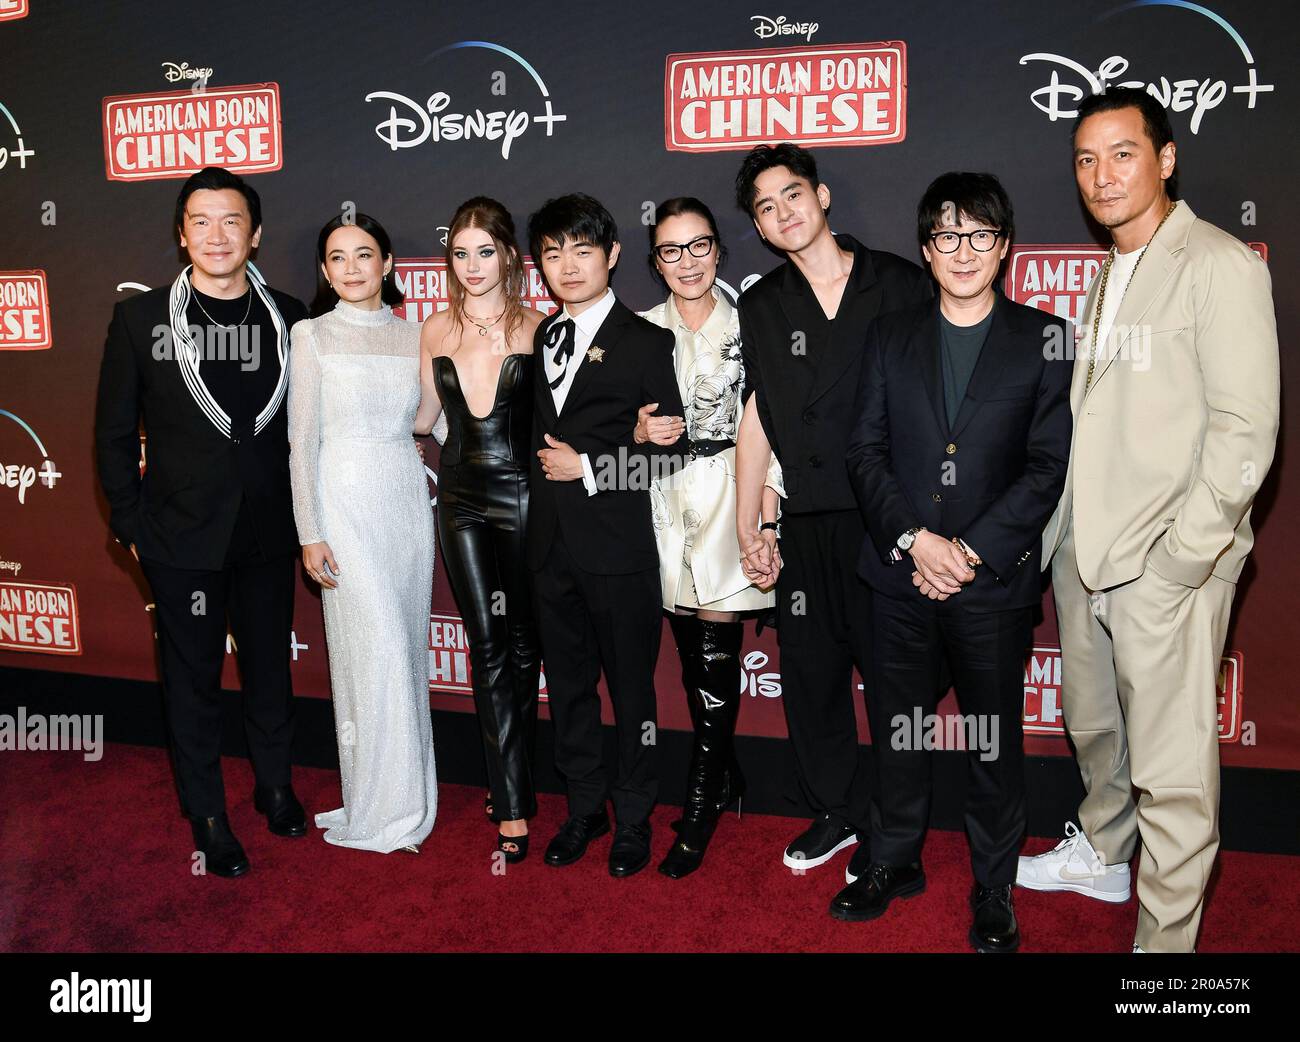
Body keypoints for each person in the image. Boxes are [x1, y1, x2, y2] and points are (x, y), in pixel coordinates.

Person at [1020, 87, 1280, 953]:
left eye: (1123, 153)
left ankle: (1165, 956)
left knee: (1171, 775)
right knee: (1097, 729)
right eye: (1086, 160)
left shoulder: (1217, 263)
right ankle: (1101, 851)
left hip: (1167, 565)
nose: (1102, 176)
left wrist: (1179, 564)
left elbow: (1248, 433)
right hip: (1090, 553)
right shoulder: (1109, 269)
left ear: (1166, 159)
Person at [840, 173, 1072, 951]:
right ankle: (894, 859)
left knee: (990, 741)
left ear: (1004, 247)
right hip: (900, 576)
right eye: (947, 236)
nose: (962, 251)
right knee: (898, 729)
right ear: (925, 249)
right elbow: (864, 450)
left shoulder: (1044, 337)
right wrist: (915, 540)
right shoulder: (888, 334)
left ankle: (994, 887)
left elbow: (1047, 467)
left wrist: (968, 551)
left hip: (990, 585)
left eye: (979, 235)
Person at [94, 166, 308, 877]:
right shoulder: (141, 320)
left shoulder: (290, 314)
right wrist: (131, 524)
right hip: (180, 536)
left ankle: (275, 787)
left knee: (270, 670)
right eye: (201, 221)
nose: (217, 235)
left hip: (269, 530)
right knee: (191, 680)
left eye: (231, 221)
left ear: (256, 234)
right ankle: (209, 817)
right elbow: (113, 435)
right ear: (181, 234)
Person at [732, 143, 931, 879]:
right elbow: (758, 414)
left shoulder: (900, 284)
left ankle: (893, 821)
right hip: (809, 519)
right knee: (813, 679)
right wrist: (750, 520)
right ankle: (838, 811)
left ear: (821, 196)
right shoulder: (759, 305)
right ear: (758, 226)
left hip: (887, 520)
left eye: (792, 195)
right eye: (766, 207)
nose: (783, 213)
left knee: (893, 681)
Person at [526, 193, 685, 877]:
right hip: (548, 547)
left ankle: (634, 817)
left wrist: (589, 464)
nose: (568, 264)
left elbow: (672, 450)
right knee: (567, 688)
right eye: (554, 252)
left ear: (613, 255)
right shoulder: (541, 337)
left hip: (617, 549)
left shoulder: (648, 341)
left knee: (632, 691)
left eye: (582, 249)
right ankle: (583, 809)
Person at [634, 197, 783, 878]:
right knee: (693, 655)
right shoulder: (637, 331)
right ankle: (724, 777)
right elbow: (607, 431)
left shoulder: (755, 326)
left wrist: (766, 511)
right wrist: (634, 433)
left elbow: (774, 422)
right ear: (655, 261)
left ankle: (699, 807)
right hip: (664, 501)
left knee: (717, 652)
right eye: (671, 250)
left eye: (699, 246)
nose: (687, 262)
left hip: (732, 491)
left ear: (720, 251)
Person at [287, 213, 439, 854]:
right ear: (325, 271)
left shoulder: (417, 337)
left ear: (389, 263)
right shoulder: (311, 334)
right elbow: (301, 442)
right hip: (341, 504)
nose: (352, 268)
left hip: (403, 501)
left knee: (401, 652)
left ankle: (402, 800)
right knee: (366, 655)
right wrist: (309, 530)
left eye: (365, 254)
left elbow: (434, 420)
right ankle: (382, 804)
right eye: (338, 258)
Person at [421, 197, 544, 862]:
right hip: (461, 498)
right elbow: (419, 417)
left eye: (484, 251)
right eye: (460, 253)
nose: (472, 265)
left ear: (508, 256)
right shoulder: (435, 330)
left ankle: (512, 779)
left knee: (526, 646)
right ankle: (514, 804)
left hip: (523, 497)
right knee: (489, 644)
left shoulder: (536, 329)